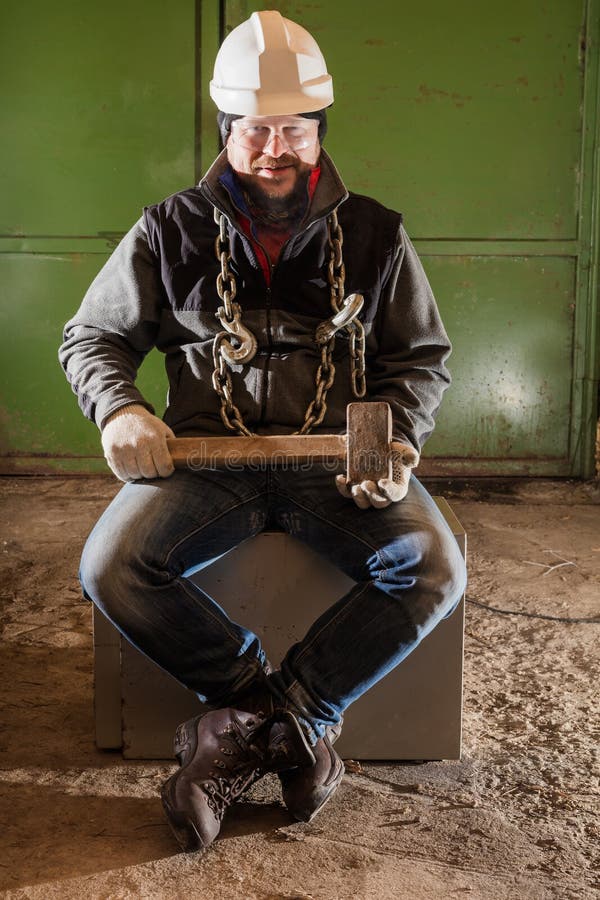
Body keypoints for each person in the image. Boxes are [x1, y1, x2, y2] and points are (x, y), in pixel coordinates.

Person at [59, 10, 467, 853]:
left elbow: (419, 356)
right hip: (208, 459)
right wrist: (120, 408)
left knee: (431, 565)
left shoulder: (376, 235)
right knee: (113, 566)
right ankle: (272, 717)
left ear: (319, 132)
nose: (275, 149)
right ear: (227, 131)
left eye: (294, 130)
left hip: (336, 464)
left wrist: (395, 440)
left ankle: (273, 723)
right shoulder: (169, 229)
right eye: (255, 130)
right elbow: (92, 337)